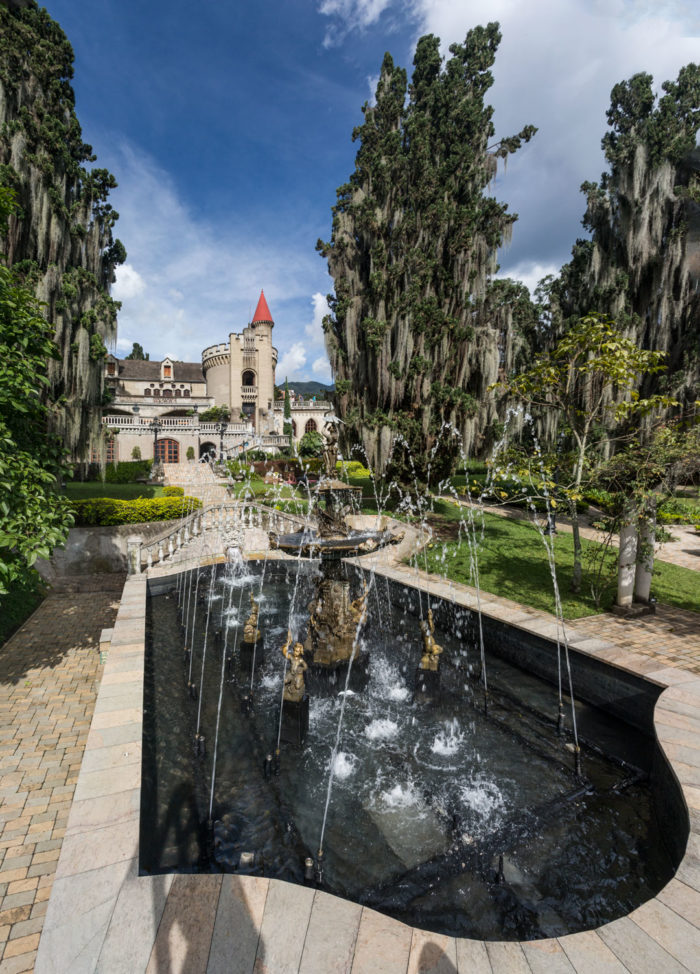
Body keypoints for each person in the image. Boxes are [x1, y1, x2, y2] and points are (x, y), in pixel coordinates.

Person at [281, 630, 308, 702]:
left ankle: (293, 687)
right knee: (285, 681)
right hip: (290, 673)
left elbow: (306, 666)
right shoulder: (291, 657)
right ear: (293, 650)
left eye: (298, 651)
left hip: (297, 675)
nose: (296, 652)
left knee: (298, 686)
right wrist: (287, 644)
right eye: (295, 650)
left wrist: (302, 669)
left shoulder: (300, 660)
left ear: (300, 652)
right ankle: (288, 688)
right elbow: (284, 652)